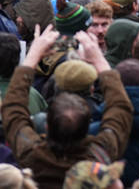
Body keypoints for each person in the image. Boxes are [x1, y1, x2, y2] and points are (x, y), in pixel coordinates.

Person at [2, 26, 132, 187]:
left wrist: (32, 56)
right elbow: (120, 110)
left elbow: (13, 110)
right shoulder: (100, 154)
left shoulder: (32, 155)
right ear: (87, 128)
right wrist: (99, 60)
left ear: (47, 127)